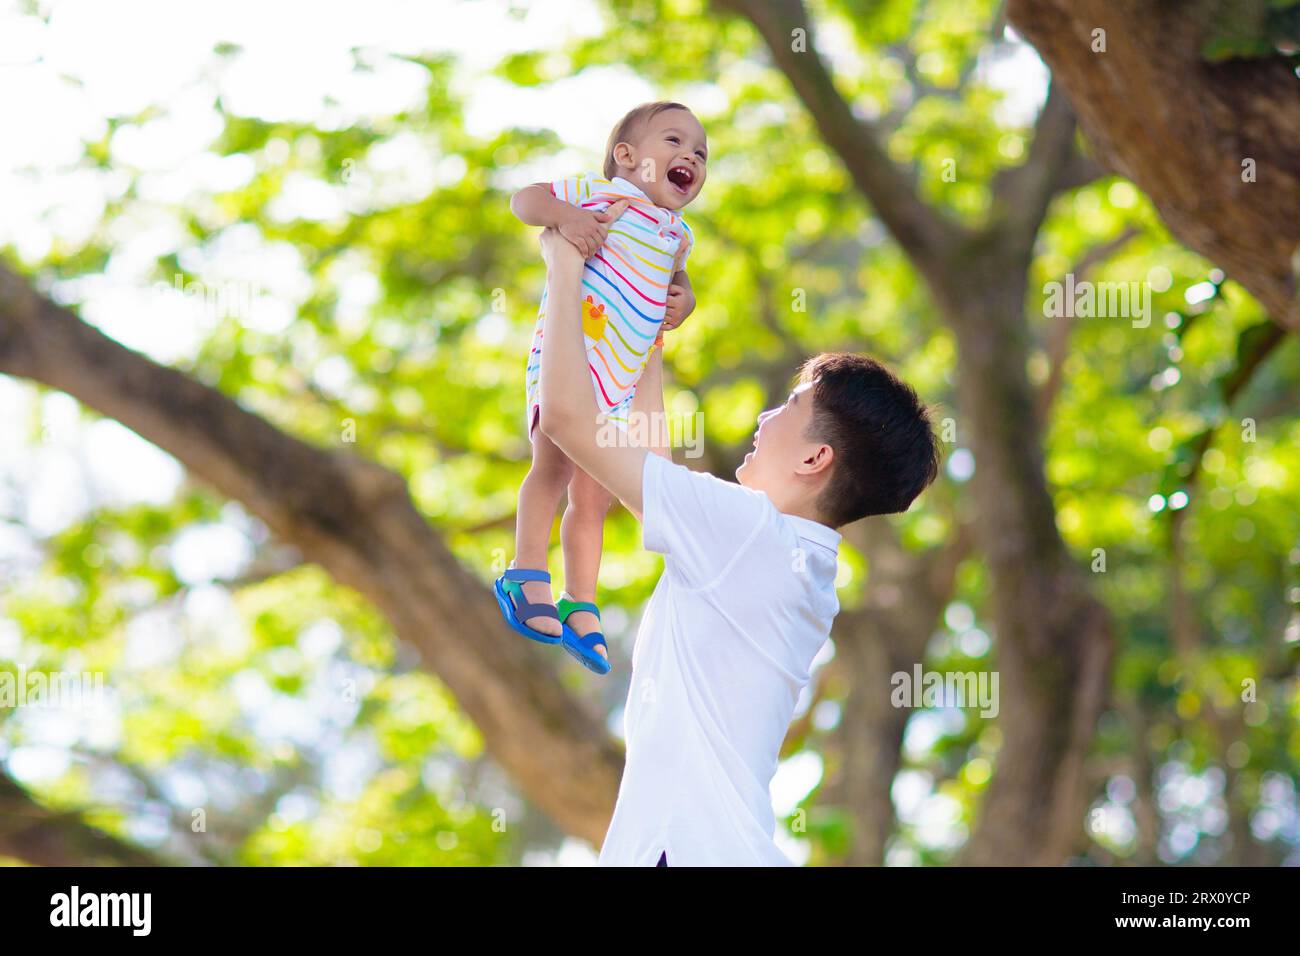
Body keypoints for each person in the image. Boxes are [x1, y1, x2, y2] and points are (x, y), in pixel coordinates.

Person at [532, 222, 943, 865]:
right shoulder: (796, 560)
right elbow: (643, 460)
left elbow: (563, 419)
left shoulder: (746, 534)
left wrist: (561, 267)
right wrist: (650, 333)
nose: (763, 418)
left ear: (815, 458)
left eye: (789, 405)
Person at [495, 102, 706, 676]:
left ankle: (580, 601)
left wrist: (686, 299)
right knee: (552, 468)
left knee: (594, 497)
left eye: (700, 152)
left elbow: (677, 283)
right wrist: (564, 217)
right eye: (674, 140)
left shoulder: (678, 235)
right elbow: (525, 201)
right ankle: (525, 570)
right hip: (570, 357)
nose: (690, 155)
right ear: (627, 157)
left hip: (619, 381)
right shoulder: (601, 194)